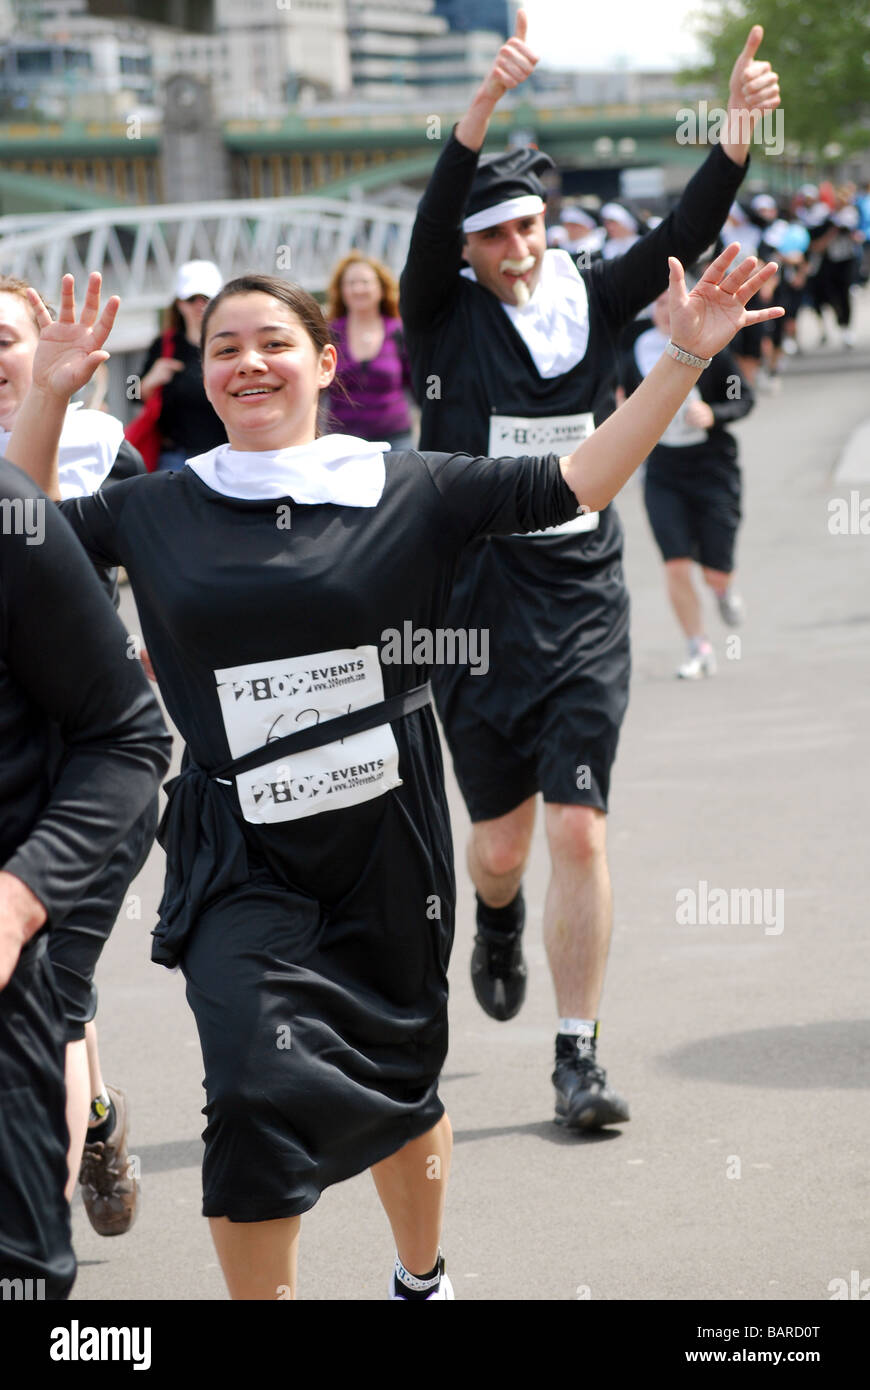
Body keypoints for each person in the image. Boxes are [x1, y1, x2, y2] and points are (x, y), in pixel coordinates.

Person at [12, 249, 781, 1299]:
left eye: (273, 343)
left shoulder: (407, 482)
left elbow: (580, 479)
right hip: (243, 849)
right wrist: (48, 396)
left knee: (398, 1081)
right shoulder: (154, 506)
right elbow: (26, 546)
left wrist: (685, 353)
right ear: (199, 375)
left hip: (390, 843)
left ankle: (421, 1275)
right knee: (246, 1089)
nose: (248, 363)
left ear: (323, 364)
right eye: (223, 348)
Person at [399, 10, 780, 1131]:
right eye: (491, 237)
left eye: (525, 228)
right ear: (467, 251)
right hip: (471, 600)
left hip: (578, 596)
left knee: (578, 827)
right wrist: (477, 111)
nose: (514, 251)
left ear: (545, 224)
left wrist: (735, 137)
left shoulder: (590, 298)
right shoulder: (439, 314)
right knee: (505, 845)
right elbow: (429, 218)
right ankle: (499, 916)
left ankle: (578, 1059)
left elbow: (688, 228)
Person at [0, 273, 158, 1235]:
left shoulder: (107, 453)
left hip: (86, 770)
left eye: (4, 338)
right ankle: (95, 1118)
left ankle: (31, 1246)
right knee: (56, 986)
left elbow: (174, 584)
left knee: (48, 986)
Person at [620, 289, 754, 678]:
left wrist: (713, 413)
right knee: (675, 563)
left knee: (714, 569)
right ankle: (698, 646)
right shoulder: (637, 351)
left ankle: (722, 588)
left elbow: (744, 398)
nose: (667, 311)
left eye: (673, 304)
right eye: (659, 304)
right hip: (663, 470)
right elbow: (623, 398)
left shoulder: (710, 347)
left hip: (713, 468)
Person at [137, 259, 227, 470]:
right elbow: (132, 395)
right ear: (179, 304)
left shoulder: (234, 343)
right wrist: (150, 381)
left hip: (226, 453)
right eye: (191, 298)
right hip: (175, 457)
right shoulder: (165, 345)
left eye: (206, 297)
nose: (199, 305)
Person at [325, 252, 415, 448]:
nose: (358, 289)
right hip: (342, 441)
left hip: (395, 440)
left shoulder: (399, 332)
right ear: (341, 291)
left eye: (365, 282)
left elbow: (418, 386)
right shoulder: (329, 334)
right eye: (351, 283)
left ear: (381, 289)